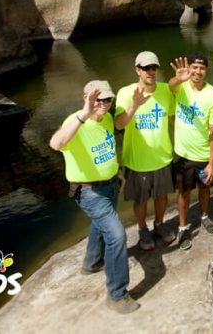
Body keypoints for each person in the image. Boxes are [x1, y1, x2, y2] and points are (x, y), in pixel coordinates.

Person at [49, 80, 139, 314]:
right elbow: (56, 144)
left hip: (110, 185)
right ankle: (117, 295)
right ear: (85, 98)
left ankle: (91, 263)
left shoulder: (107, 118)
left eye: (107, 99)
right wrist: (83, 115)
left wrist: (117, 173)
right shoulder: (75, 122)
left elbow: (109, 143)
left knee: (102, 226)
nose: (103, 104)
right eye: (97, 99)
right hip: (89, 191)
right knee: (117, 235)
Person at [115, 51, 177, 251]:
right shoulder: (125, 92)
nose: (150, 72)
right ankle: (142, 229)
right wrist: (134, 105)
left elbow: (172, 120)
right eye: (145, 68)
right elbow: (118, 124)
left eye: (153, 68)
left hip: (162, 156)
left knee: (161, 196)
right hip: (137, 159)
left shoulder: (166, 90)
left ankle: (159, 223)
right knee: (140, 199)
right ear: (137, 70)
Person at [167, 53, 213, 249]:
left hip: (203, 155)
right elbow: (170, 86)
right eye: (194, 67)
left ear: (206, 71)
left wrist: (212, 163)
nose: (197, 71)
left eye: (202, 68)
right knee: (183, 192)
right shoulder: (180, 87)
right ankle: (183, 227)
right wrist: (178, 78)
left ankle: (204, 215)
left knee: (205, 188)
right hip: (182, 155)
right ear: (189, 68)